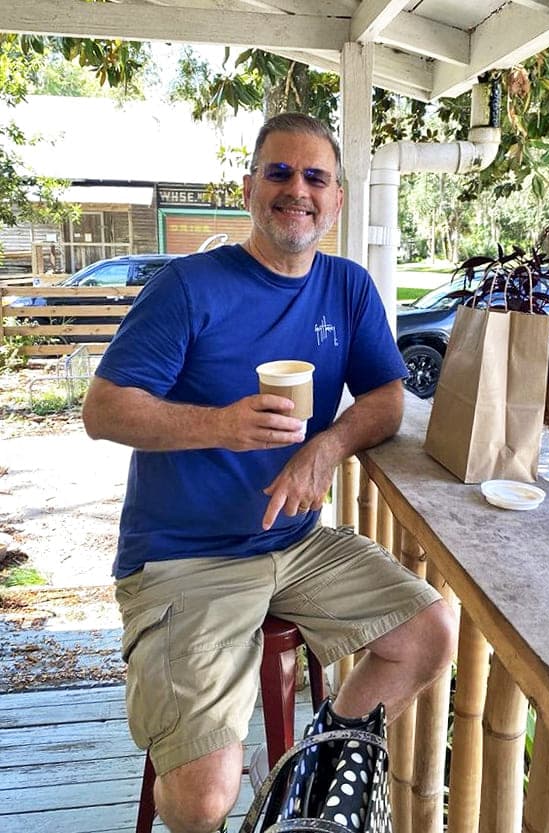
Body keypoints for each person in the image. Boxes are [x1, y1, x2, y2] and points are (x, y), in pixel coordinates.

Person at [82, 112, 457, 833]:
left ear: (337, 198)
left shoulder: (346, 288)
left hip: (297, 543)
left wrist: (326, 447)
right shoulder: (189, 287)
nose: (298, 191)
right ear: (249, 187)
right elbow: (104, 409)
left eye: (316, 177)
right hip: (185, 558)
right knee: (200, 797)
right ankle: (252, 798)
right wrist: (221, 424)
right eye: (279, 173)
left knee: (430, 630)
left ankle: (297, 798)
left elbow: (386, 397)